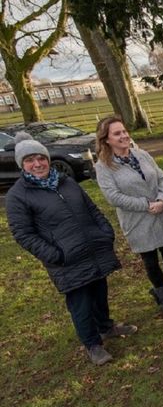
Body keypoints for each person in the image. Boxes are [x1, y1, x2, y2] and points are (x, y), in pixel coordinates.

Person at [6, 133, 137, 366]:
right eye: (30, 160)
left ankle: (105, 327)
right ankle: (92, 344)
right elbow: (23, 234)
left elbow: (91, 208)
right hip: (66, 260)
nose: (37, 164)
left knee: (99, 292)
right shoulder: (18, 195)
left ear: (47, 159)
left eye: (41, 158)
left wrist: (105, 232)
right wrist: (55, 255)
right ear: (21, 165)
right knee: (81, 303)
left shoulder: (65, 181)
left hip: (93, 249)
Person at [95, 117, 163, 315]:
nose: (123, 136)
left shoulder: (142, 155)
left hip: (161, 213)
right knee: (150, 260)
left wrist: (162, 199)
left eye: (124, 131)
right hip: (138, 220)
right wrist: (146, 205)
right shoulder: (103, 166)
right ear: (106, 140)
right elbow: (113, 196)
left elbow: (162, 179)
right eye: (117, 133)